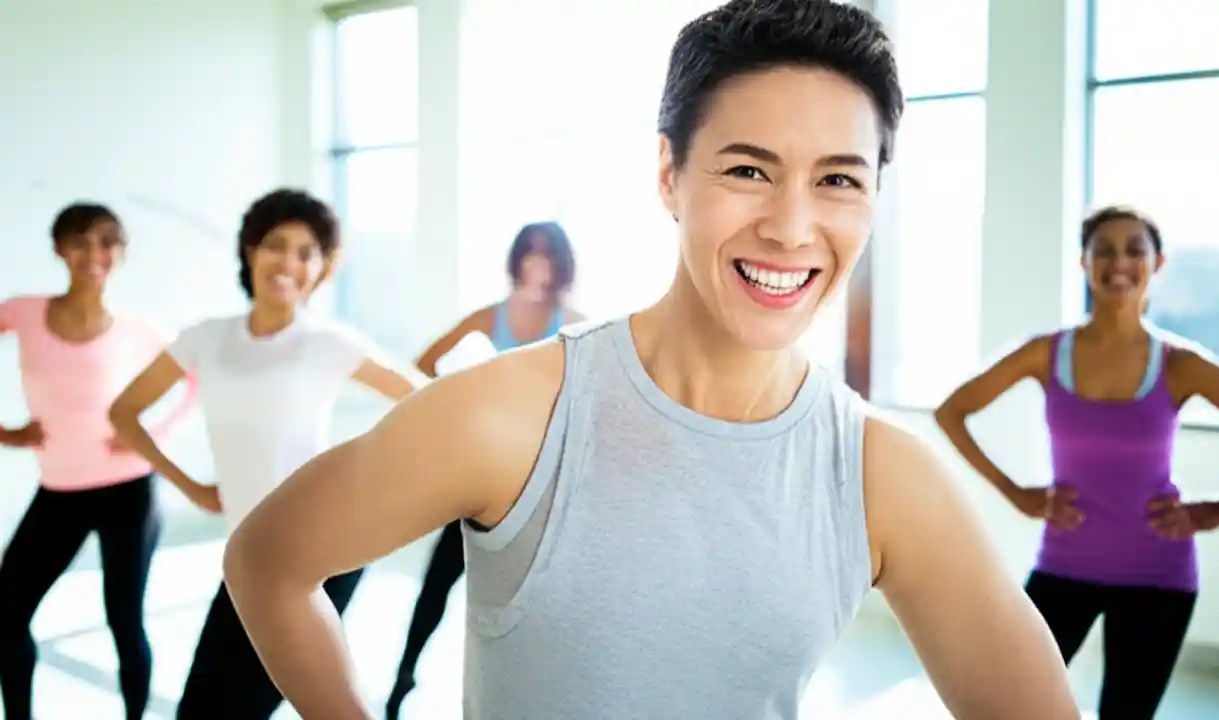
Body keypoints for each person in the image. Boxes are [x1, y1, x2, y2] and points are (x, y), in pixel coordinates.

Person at [223, 2, 1079, 719]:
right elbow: (267, 562)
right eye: (749, 170)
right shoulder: (510, 415)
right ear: (670, 173)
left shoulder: (883, 475)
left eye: (838, 181)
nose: (791, 228)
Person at [935, 205, 1219, 719]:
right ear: (1084, 262)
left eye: (1135, 249)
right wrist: (1016, 493)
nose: (1119, 262)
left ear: (1157, 263)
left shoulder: (1182, 365)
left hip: (1158, 575)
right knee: (1006, 702)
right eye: (1104, 250)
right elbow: (952, 412)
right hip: (1064, 566)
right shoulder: (1046, 353)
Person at [108, 189, 424, 719]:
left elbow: (425, 402)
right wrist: (192, 487)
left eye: (307, 253)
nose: (289, 263)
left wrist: (373, 475)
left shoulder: (330, 342)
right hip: (250, 554)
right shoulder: (205, 338)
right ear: (251, 248)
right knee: (202, 710)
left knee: (260, 706)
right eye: (277, 245)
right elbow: (124, 412)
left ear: (322, 269)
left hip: (322, 550)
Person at [0, 203, 194, 720]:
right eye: (80, 241)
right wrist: (5, 433)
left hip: (128, 493)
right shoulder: (21, 312)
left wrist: (148, 435)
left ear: (121, 253)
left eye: (107, 242)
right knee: (6, 615)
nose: (93, 254)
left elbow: (193, 380)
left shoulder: (139, 328)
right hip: (59, 492)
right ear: (59, 249)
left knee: (124, 621)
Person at [385, 221, 583, 719]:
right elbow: (418, 370)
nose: (538, 264)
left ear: (562, 266)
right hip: (482, 479)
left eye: (548, 256)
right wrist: (460, 419)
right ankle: (402, 681)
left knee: (532, 601)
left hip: (541, 488)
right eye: (530, 253)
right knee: (438, 582)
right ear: (517, 259)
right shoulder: (489, 318)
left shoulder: (575, 326)